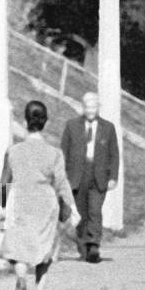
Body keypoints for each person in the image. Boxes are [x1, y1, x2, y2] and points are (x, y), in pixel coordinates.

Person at [0, 101, 77, 290]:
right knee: (44, 249)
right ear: (45, 123)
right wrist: (72, 206)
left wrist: (3, 205)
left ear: (25, 122)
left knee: (21, 248)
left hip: (22, 201)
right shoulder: (54, 153)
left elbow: (4, 182)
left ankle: (22, 279)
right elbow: (62, 183)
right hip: (46, 204)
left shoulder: (13, 151)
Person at [60, 92, 119, 264]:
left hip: (99, 175)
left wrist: (113, 176)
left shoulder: (108, 127)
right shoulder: (71, 126)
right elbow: (63, 151)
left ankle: (94, 245)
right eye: (87, 107)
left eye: (94, 107)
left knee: (94, 210)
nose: (91, 110)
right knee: (81, 212)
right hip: (77, 174)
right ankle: (83, 244)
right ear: (83, 108)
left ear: (98, 108)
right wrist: (62, 176)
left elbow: (114, 154)